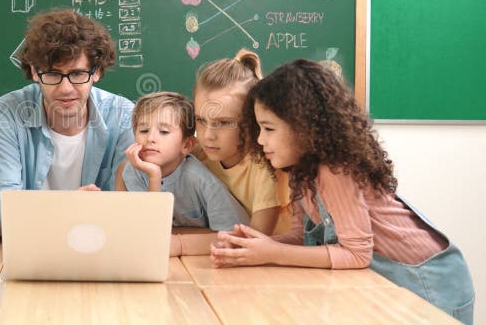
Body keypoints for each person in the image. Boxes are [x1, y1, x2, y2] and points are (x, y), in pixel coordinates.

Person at [210, 59, 475, 324]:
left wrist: (273, 253)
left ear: (304, 127)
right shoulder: (300, 171)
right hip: (389, 285)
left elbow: (357, 254)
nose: (260, 139)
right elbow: (302, 237)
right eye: (259, 128)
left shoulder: (334, 170)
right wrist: (253, 247)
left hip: (429, 286)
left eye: (269, 128)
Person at [0, 9, 134, 226]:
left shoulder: (123, 115)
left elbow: (129, 206)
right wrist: (68, 207)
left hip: (99, 239)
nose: (65, 89)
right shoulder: (7, 113)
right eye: (53, 74)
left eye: (77, 74)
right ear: (35, 72)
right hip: (32, 242)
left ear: (97, 72)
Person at [115, 92, 249, 256]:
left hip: (199, 258)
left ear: (186, 145)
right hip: (153, 255)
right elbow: (145, 231)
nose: (150, 138)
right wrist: (154, 176)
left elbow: (236, 235)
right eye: (143, 130)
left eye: (164, 131)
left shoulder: (201, 180)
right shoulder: (131, 172)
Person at [193, 49, 291, 235]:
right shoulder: (198, 154)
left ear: (251, 120)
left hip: (276, 250)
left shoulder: (266, 164)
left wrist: (180, 242)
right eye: (200, 120)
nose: (208, 135)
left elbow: (253, 237)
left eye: (223, 123)